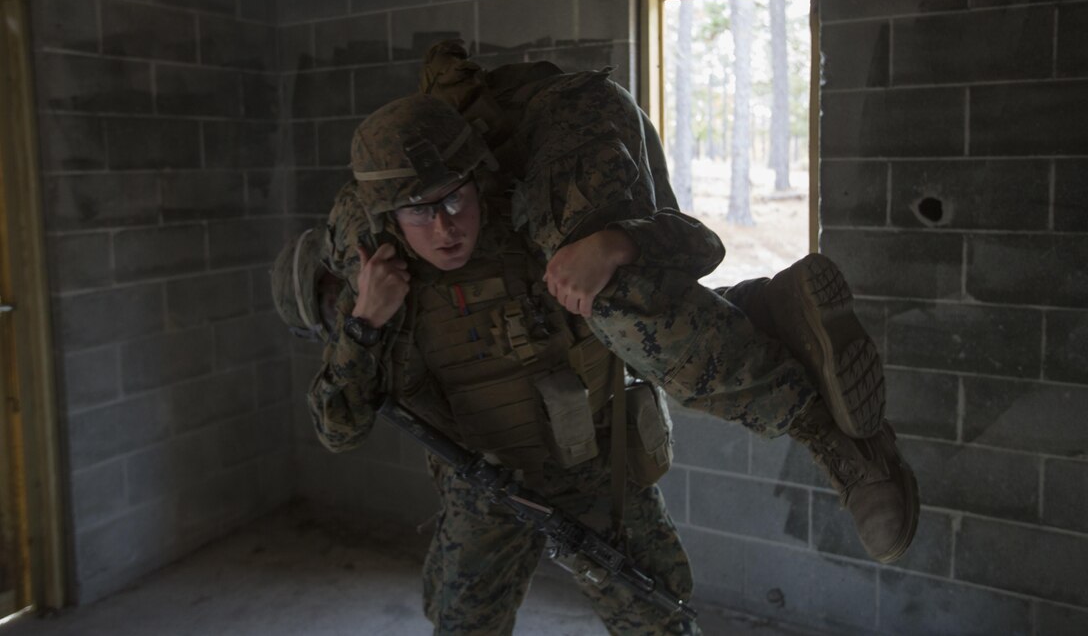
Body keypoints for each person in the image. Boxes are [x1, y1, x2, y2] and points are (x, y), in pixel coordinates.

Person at [271, 51, 919, 635]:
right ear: (386, 219)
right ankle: (760, 309)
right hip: (488, 488)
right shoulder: (376, 291)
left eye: (455, 198)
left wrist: (618, 243)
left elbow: (699, 244)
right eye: (420, 210)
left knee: (659, 621)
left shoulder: (534, 208)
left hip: (599, 463)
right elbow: (339, 428)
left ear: (477, 177)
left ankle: (809, 399)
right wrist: (363, 324)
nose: (445, 226)